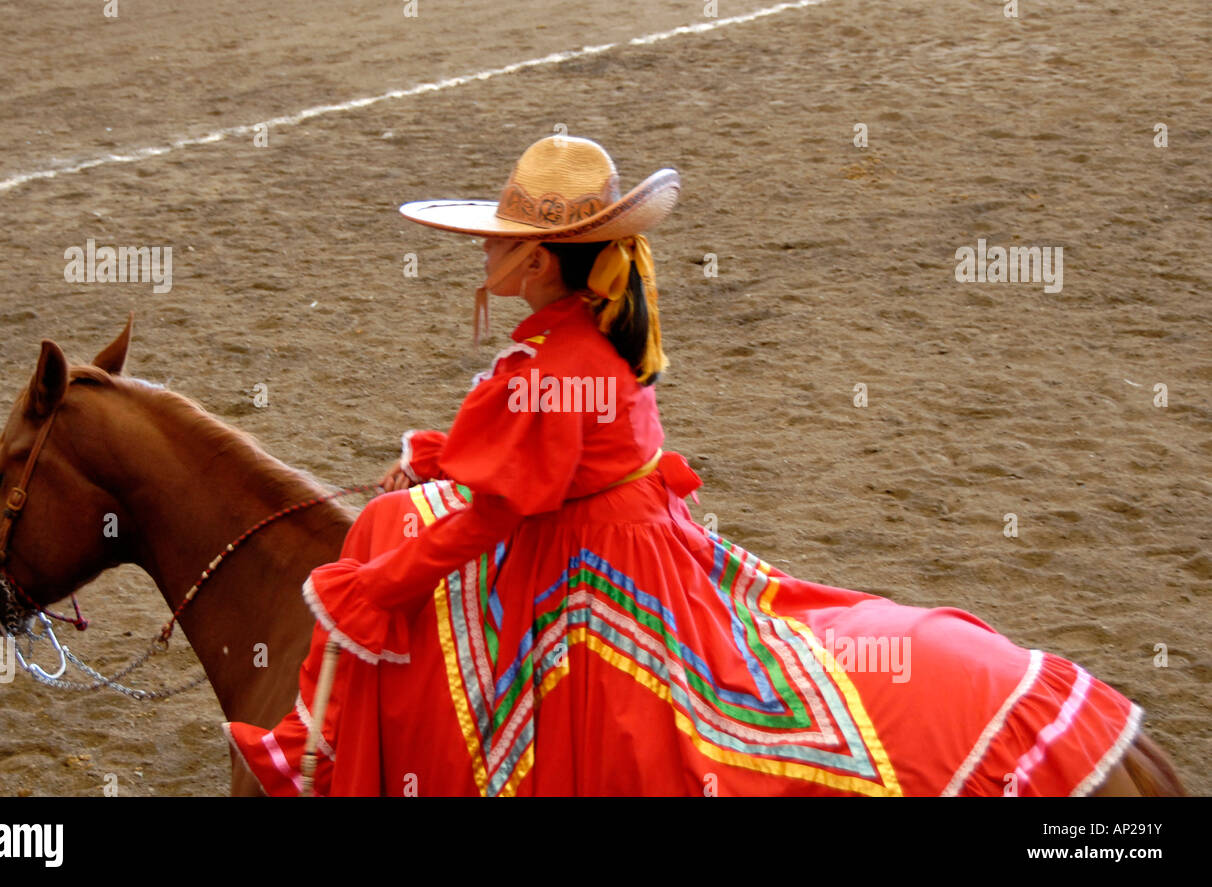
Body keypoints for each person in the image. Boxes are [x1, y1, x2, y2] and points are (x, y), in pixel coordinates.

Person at [223, 136, 1141, 796]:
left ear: (541, 259)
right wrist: (435, 456)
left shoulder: (554, 365)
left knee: (570, 719)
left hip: (591, 560)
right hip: (647, 530)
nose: (488, 251)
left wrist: (375, 585)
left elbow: (499, 513)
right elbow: (568, 451)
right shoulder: (591, 336)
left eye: (501, 239)